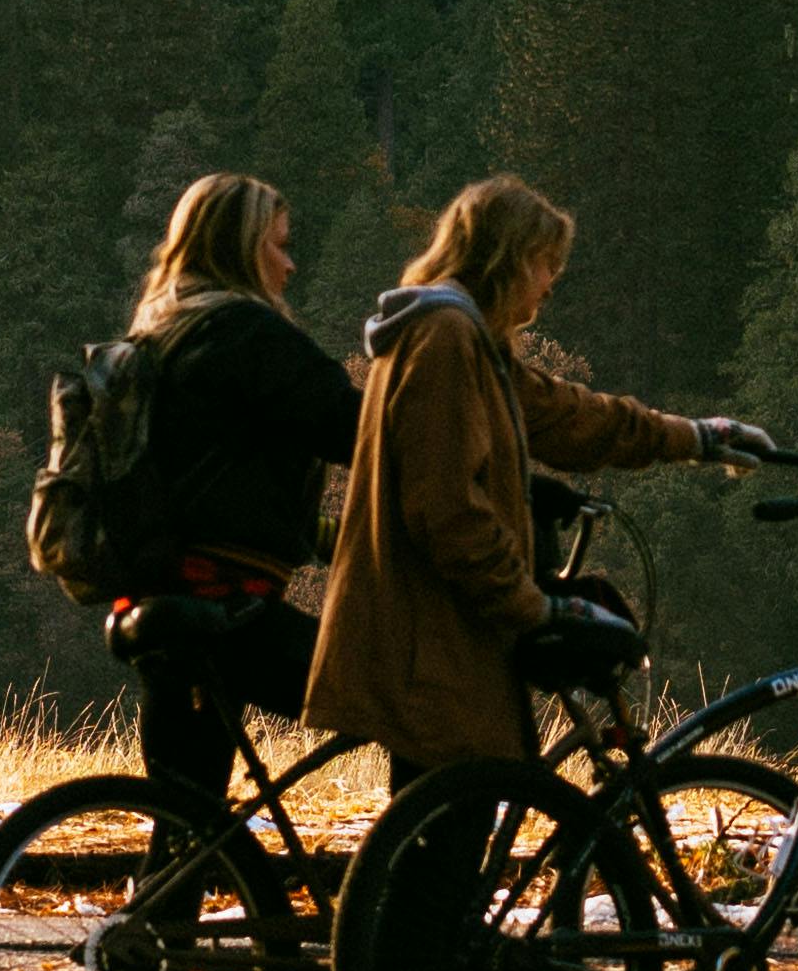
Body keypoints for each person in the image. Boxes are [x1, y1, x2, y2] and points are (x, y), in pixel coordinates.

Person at [304, 171, 726, 823]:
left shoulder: (469, 339)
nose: (551, 281)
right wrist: (526, 603)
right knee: (440, 871)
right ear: (508, 257)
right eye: (545, 262)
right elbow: (445, 509)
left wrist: (693, 437)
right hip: (432, 645)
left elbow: (568, 415)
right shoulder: (445, 339)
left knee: (440, 852)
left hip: (441, 640)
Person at [94, 167, 362, 877]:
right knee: (407, 702)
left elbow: (230, 497)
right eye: (279, 244)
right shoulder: (247, 335)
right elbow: (356, 428)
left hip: (163, 606)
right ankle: (396, 914)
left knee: (186, 828)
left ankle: (152, 966)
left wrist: (338, 541)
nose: (290, 261)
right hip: (227, 612)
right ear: (241, 249)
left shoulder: (162, 335)